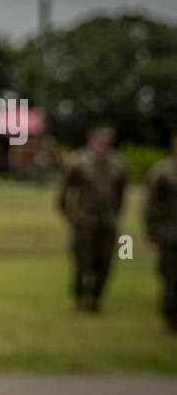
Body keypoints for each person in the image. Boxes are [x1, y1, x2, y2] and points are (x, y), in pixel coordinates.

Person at [58, 124, 128, 313]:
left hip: (108, 222)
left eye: (107, 141)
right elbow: (64, 191)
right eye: (100, 140)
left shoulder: (118, 164)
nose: (103, 144)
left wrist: (116, 213)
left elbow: (121, 193)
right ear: (91, 139)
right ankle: (79, 298)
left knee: (105, 263)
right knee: (82, 262)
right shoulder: (78, 162)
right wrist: (68, 214)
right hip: (84, 221)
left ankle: (96, 300)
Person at [144, 132, 177, 333]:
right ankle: (170, 319)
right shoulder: (162, 172)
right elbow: (151, 206)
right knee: (171, 279)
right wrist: (152, 232)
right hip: (171, 235)